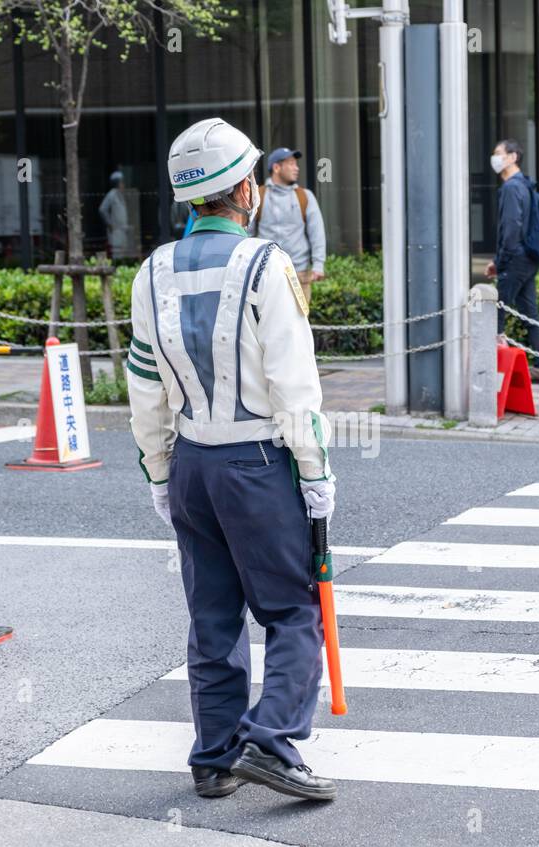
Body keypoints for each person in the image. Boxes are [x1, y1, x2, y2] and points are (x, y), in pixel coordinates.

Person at [127, 117, 338, 802]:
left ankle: (214, 758)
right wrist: (316, 474)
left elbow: (144, 391)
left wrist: (159, 474)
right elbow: (294, 387)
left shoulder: (150, 271)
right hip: (255, 463)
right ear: (245, 188)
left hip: (190, 464)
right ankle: (272, 743)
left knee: (213, 618)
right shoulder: (265, 265)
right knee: (292, 611)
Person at [486, 138, 539, 384]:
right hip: (527, 258)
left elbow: (511, 229)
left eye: (499, 153)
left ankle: (489, 370)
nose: (495, 158)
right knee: (529, 313)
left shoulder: (512, 188)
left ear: (513, 157)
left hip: (516, 258)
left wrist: (500, 261)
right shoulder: (524, 185)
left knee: (495, 311)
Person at [250, 147, 326, 309]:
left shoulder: (305, 196)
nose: (296, 168)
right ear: (277, 168)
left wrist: (318, 265)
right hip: (265, 273)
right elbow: (247, 233)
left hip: (298, 274)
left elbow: (317, 233)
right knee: (267, 325)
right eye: (291, 164)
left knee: (299, 325)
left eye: (296, 164)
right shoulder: (258, 196)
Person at [98, 171, 133, 260]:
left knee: (123, 254)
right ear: (117, 183)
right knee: (117, 255)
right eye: (121, 182)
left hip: (122, 231)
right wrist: (110, 224)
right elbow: (102, 209)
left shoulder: (120, 195)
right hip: (116, 231)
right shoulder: (112, 194)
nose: (123, 185)